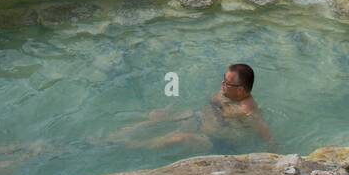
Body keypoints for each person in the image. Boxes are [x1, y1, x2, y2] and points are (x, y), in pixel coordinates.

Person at [109, 63, 275, 152]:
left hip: (216, 142)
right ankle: (111, 138)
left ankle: (128, 146)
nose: (222, 85)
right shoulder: (227, 93)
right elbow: (213, 102)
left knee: (179, 137)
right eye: (223, 80)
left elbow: (267, 136)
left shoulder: (248, 110)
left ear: (240, 90)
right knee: (158, 116)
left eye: (227, 83)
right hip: (199, 120)